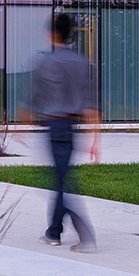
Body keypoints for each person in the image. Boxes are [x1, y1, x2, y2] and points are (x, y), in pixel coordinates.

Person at [29, 12, 101, 249]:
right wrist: (95, 140)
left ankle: (85, 236)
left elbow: (37, 99)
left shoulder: (49, 62)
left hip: (56, 126)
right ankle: (54, 231)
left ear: (51, 34)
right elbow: (92, 105)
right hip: (71, 128)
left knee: (62, 182)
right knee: (61, 177)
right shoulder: (82, 62)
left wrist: (23, 124)